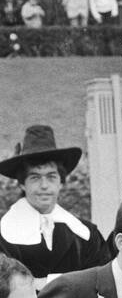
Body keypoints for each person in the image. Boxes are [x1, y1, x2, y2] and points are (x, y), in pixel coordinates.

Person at [0, 124, 110, 289]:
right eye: (35, 178)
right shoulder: (4, 234)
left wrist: (41, 283)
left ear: (61, 182)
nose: (44, 186)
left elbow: (101, 283)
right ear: (22, 184)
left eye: (51, 177)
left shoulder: (86, 234)